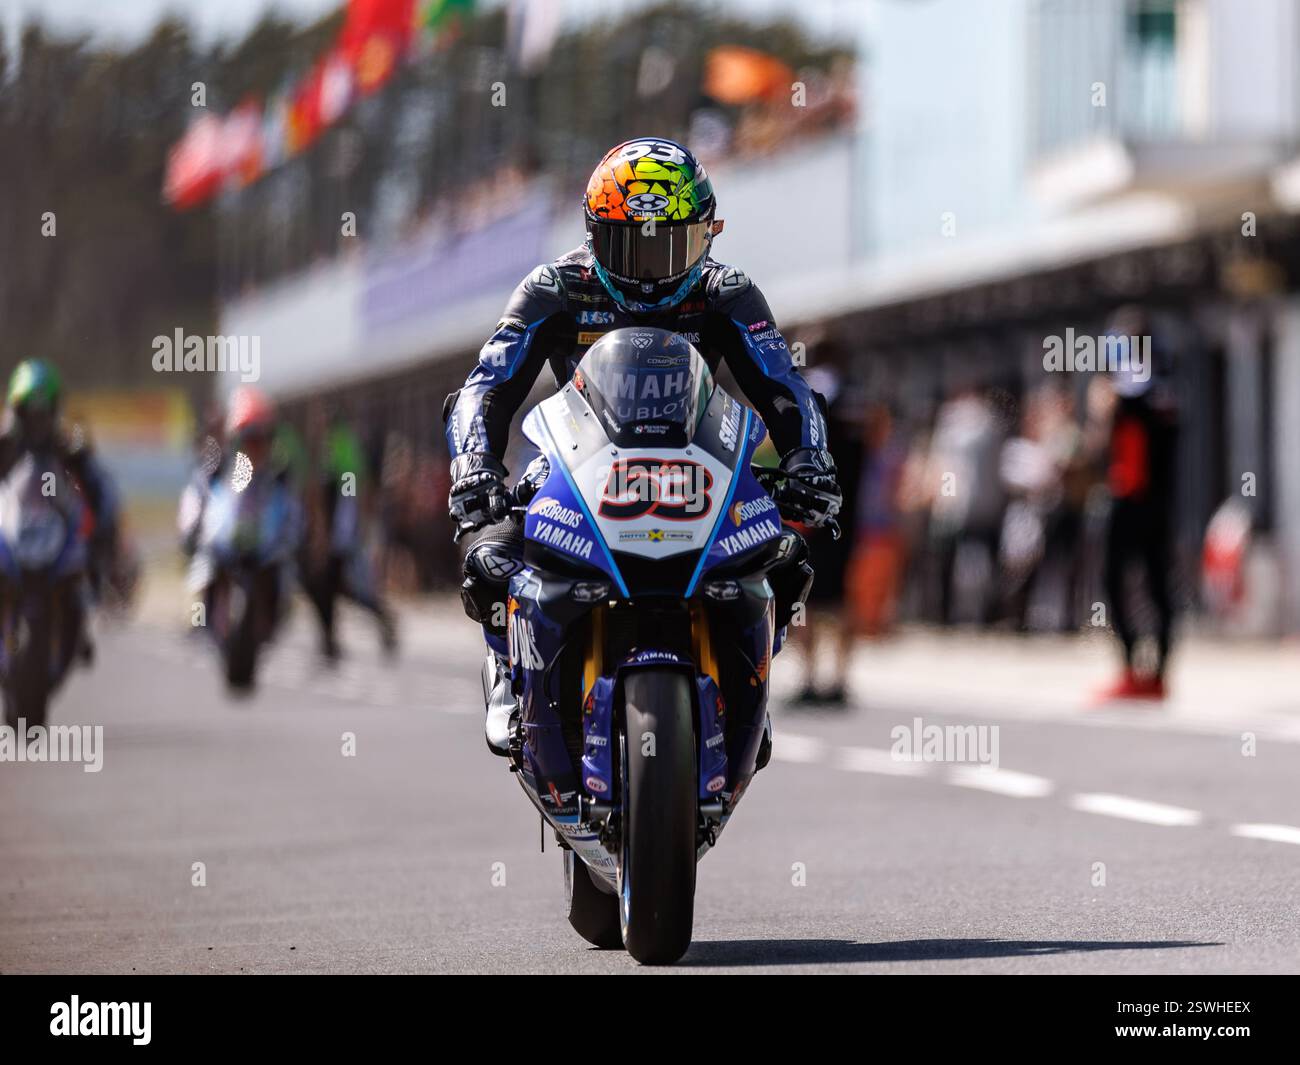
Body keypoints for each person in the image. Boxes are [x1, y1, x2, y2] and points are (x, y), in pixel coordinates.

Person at [443, 137, 842, 751]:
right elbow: (486, 386)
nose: (648, 268)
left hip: (698, 468)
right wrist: (474, 465)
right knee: (490, 556)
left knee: (785, 559)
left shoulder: (727, 292)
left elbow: (785, 386)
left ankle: (752, 683)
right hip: (574, 468)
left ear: (706, 235)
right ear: (592, 233)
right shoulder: (554, 287)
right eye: (629, 245)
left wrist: (808, 462)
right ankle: (505, 669)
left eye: (669, 245)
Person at [0, 359, 125, 658]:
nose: (36, 422)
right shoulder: (3, 445)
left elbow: (101, 492)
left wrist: (101, 531)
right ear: (17, 412)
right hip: (12, 530)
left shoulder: (70, 447)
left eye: (42, 414)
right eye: (29, 413)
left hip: (55, 533)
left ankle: (81, 621)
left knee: (87, 565)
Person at [1095, 309, 1179, 702]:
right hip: (1145, 498)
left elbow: (1118, 408)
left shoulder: (1140, 380)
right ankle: (1145, 670)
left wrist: (1107, 401)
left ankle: (1145, 671)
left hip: (1139, 498)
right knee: (1143, 582)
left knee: (1138, 582)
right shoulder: (1159, 380)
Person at [300, 408, 397, 662]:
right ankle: (334, 639)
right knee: (333, 586)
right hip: (337, 535)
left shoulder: (341, 447)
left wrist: (346, 533)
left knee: (332, 584)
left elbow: (352, 489)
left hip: (341, 536)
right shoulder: (325, 451)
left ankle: (371, 621)